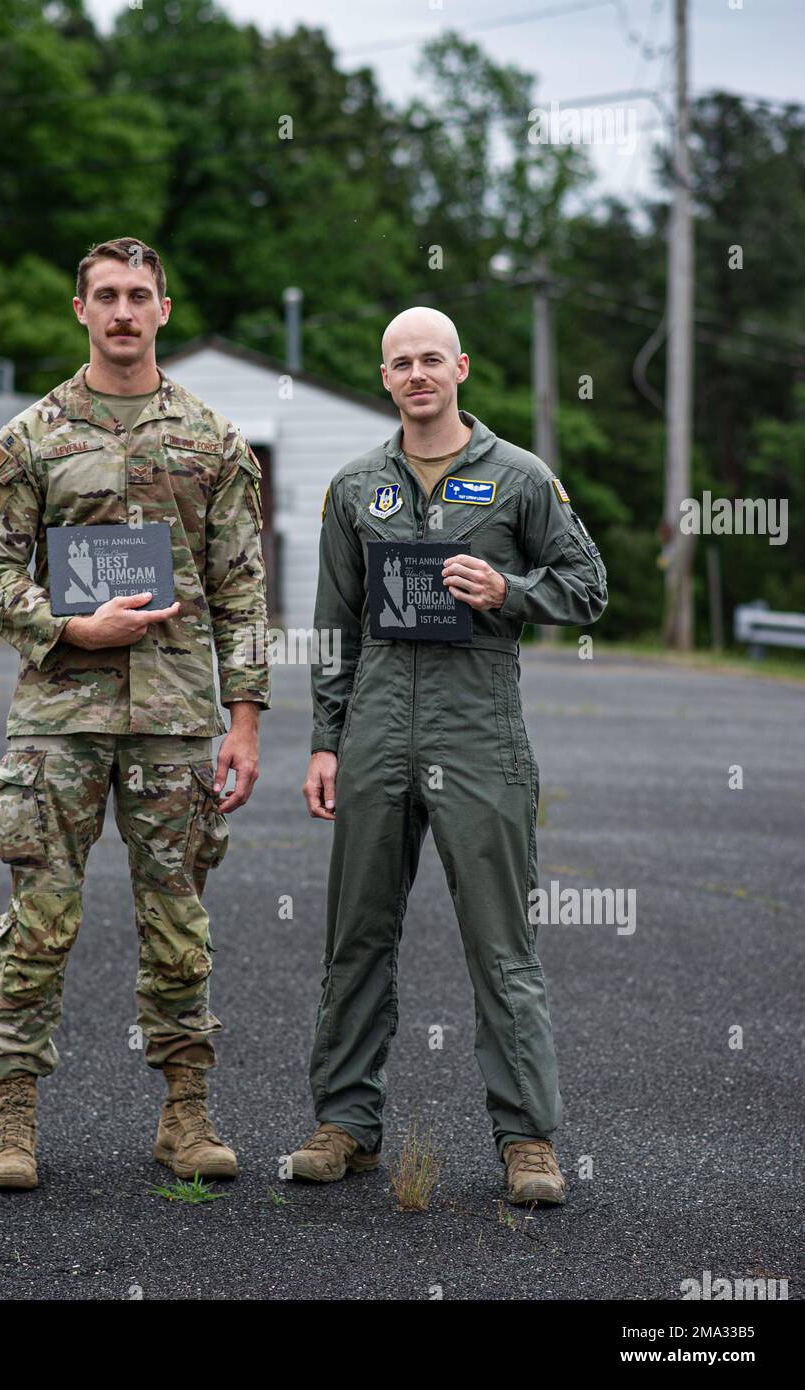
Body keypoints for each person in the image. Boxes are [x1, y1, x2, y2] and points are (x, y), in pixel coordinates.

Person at [0, 236, 268, 1190]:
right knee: (39, 921)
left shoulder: (215, 442)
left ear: (164, 311)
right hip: (60, 714)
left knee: (178, 922)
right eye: (107, 296)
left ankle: (187, 1116)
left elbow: (243, 590)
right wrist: (65, 628)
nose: (125, 311)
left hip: (176, 719)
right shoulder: (30, 438)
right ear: (81, 310)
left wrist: (247, 721)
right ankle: (12, 1123)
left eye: (141, 295)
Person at [291, 306, 607, 1204]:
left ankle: (528, 1140)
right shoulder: (356, 487)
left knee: (502, 945)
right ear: (385, 377)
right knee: (355, 937)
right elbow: (333, 627)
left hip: (479, 735)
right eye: (401, 362)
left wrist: (510, 589)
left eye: (432, 358)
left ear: (460, 366)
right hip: (377, 735)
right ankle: (344, 1124)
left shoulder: (520, 477)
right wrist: (325, 741)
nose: (417, 373)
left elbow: (589, 586)